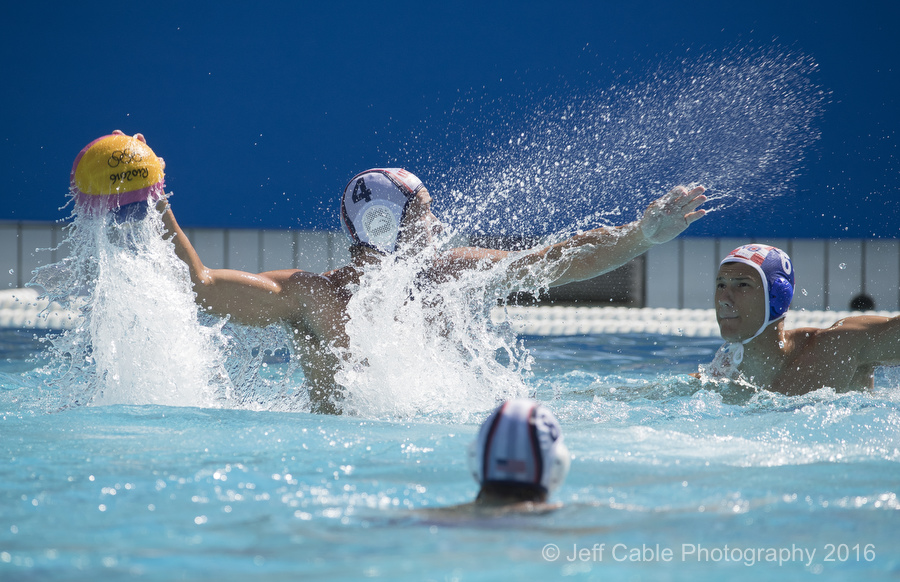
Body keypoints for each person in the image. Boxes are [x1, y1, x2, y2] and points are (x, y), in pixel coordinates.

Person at [121, 131, 707, 413]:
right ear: (390, 226)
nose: (438, 223)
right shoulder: (319, 295)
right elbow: (201, 289)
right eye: (426, 212)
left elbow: (555, 260)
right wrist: (158, 198)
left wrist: (638, 236)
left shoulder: (329, 295)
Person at [703, 243, 900, 394]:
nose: (724, 300)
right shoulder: (721, 378)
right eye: (721, 286)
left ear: (777, 297)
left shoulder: (838, 348)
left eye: (742, 285)